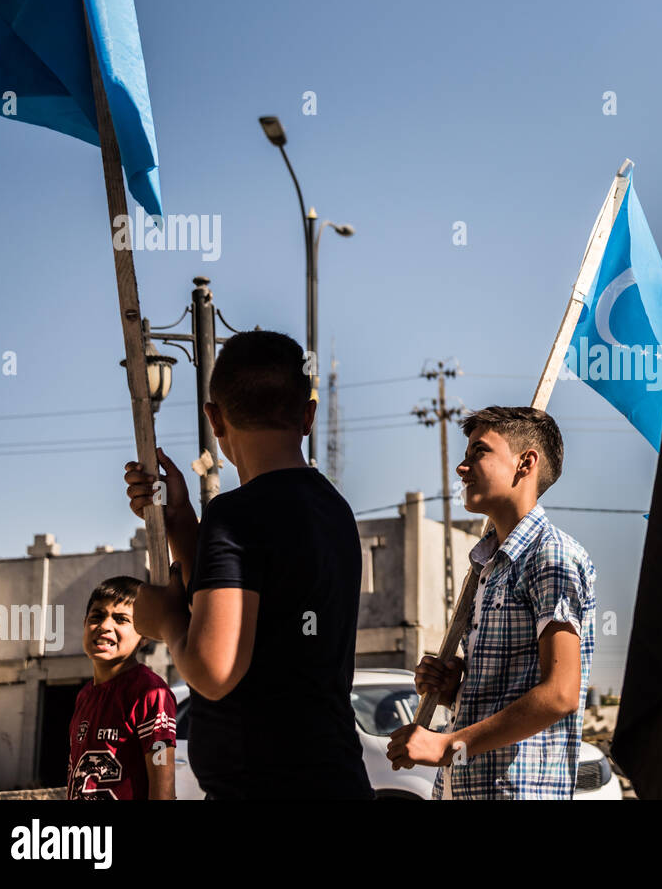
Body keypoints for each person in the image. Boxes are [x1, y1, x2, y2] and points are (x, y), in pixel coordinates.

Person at [124, 330, 372, 799]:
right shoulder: (334, 510)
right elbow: (240, 597)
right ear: (309, 415)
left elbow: (215, 672)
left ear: (214, 419)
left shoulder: (236, 514)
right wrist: (180, 521)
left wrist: (168, 622)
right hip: (336, 778)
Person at [386, 406, 596, 799]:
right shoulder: (489, 565)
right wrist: (455, 690)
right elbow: (512, 688)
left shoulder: (550, 555)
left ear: (525, 463)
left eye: (478, 452)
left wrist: (446, 745)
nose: (461, 469)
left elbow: (560, 693)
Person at [68, 577, 177, 800]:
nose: (105, 626)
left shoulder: (151, 694)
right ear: (84, 624)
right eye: (97, 616)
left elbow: (163, 794)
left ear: (144, 635)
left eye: (121, 619)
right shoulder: (84, 697)